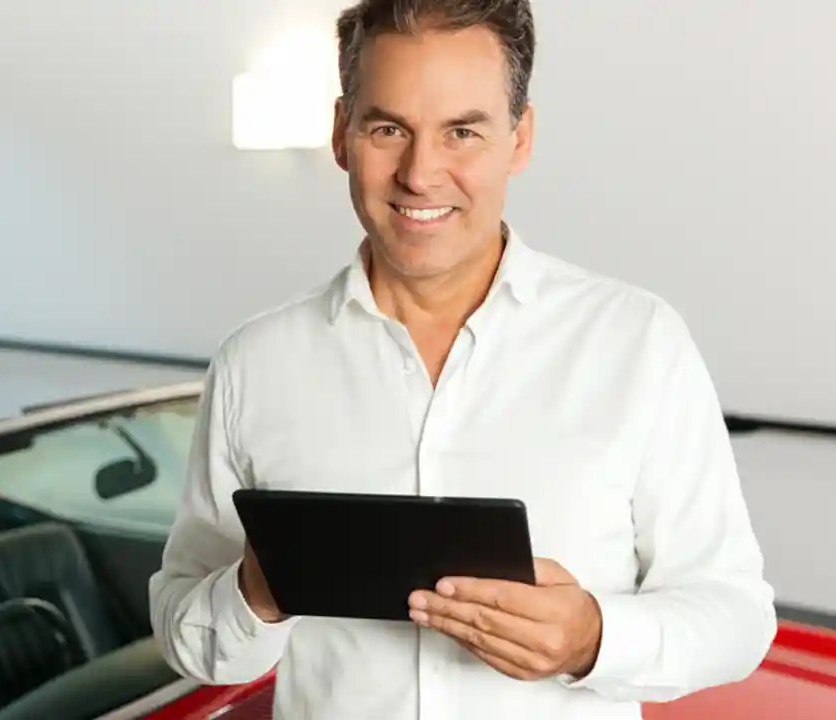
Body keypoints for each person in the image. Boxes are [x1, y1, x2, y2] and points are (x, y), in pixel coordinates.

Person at [148, 0, 777, 717]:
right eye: (389, 129)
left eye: (462, 132)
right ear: (341, 135)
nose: (421, 174)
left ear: (519, 138)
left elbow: (737, 616)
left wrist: (593, 638)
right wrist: (257, 589)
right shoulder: (255, 364)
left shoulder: (637, 342)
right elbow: (189, 639)